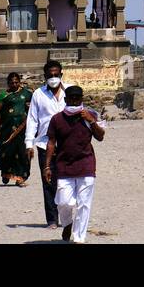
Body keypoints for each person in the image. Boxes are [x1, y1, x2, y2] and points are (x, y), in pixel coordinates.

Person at [44, 86, 105, 243]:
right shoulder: (57, 119)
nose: (74, 101)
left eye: (77, 98)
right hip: (64, 166)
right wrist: (47, 166)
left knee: (84, 204)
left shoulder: (90, 115)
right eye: (71, 98)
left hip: (86, 164)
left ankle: (79, 238)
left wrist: (91, 121)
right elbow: (51, 142)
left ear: (82, 99)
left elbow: (100, 137)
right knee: (64, 202)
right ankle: (67, 224)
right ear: (66, 100)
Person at [25, 60, 67, 228]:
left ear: (61, 75)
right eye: (50, 75)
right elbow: (32, 120)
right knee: (48, 181)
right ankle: (51, 219)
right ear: (45, 76)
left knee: (65, 182)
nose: (53, 78)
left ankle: (66, 217)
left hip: (66, 145)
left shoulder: (69, 92)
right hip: (44, 144)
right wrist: (29, 143)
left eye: (56, 75)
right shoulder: (38, 94)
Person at [0, 72, 33, 186]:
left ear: (19, 82)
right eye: (11, 83)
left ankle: (21, 177)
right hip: (6, 129)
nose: (14, 85)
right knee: (7, 153)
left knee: (23, 152)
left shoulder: (27, 94)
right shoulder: (3, 95)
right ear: (8, 83)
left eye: (16, 82)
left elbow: (34, 109)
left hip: (23, 129)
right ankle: (6, 173)